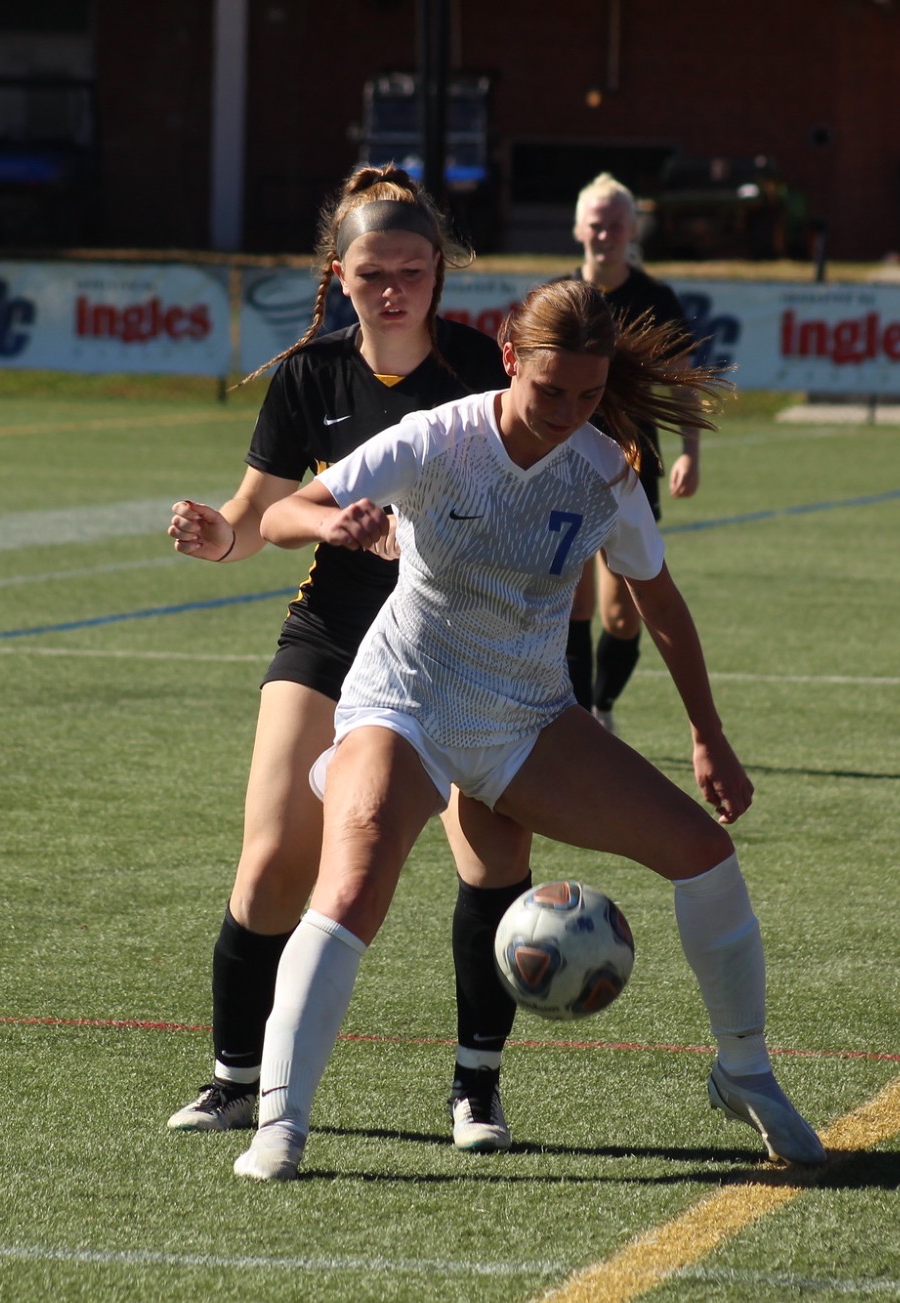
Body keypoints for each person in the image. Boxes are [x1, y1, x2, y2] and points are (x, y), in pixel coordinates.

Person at [235, 278, 826, 1181]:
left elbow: (659, 602)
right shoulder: (438, 438)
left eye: (589, 395)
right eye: (552, 390)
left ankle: (743, 1069)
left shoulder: (603, 472)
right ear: (511, 357)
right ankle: (280, 1120)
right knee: (352, 881)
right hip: (407, 699)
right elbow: (281, 514)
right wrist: (333, 517)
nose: (569, 412)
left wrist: (709, 731)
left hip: (527, 715)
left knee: (706, 855)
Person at [164, 165, 536, 1153]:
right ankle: (233, 1080)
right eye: (372, 273)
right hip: (331, 637)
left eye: (411, 272)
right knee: (272, 864)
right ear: (341, 273)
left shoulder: (478, 375)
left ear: (438, 276)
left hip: (458, 643)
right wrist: (226, 536)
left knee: (492, 854)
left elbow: (524, 494)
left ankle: (474, 1088)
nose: (392, 290)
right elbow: (262, 516)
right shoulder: (310, 377)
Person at [564, 172, 704, 734]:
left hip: (629, 471)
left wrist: (691, 452)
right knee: (571, 603)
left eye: (615, 225)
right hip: (560, 469)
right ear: (578, 229)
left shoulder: (655, 300)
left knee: (622, 614)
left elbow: (683, 383)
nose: (605, 235)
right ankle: (575, 723)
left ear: (631, 230)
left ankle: (601, 701)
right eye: (596, 224)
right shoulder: (560, 298)